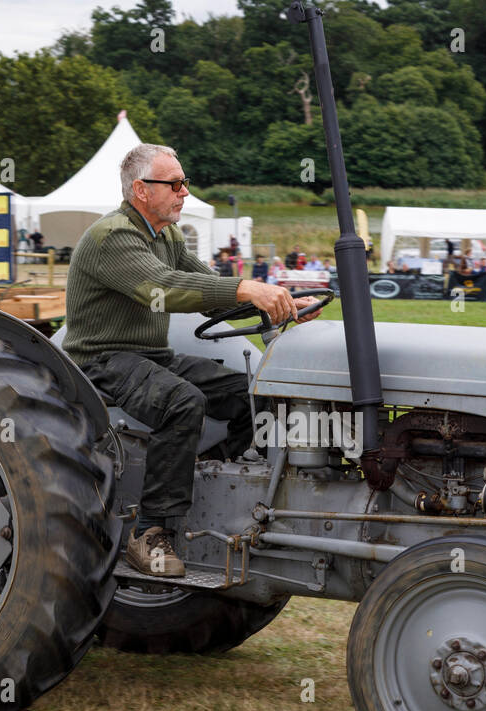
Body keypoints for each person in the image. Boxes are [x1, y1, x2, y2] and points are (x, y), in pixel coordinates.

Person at [62, 142, 314, 577]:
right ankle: (150, 532)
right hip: (101, 360)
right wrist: (246, 288)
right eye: (175, 184)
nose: (184, 193)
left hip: (150, 356)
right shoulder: (114, 237)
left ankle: (221, 493)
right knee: (182, 402)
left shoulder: (167, 236)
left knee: (250, 393)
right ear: (141, 190)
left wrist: (282, 303)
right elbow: (162, 287)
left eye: (185, 183)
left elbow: (206, 290)